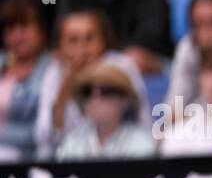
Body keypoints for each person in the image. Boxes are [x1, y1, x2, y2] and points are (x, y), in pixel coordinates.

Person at [35, 8, 149, 156]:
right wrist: (66, 86)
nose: (82, 49)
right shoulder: (55, 73)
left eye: (89, 39)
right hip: (70, 155)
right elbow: (44, 138)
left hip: (124, 152)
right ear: (60, 47)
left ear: (104, 41)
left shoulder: (121, 67)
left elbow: (141, 119)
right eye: (73, 40)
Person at [54, 60, 156, 159]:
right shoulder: (72, 142)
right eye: (87, 92)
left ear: (125, 100)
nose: (95, 99)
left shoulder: (141, 143)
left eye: (106, 91)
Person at [0, 0, 54, 160]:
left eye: (24, 26)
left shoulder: (53, 69)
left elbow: (43, 132)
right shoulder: (2, 62)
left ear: (41, 30)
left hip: (31, 159)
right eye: (10, 28)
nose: (17, 35)